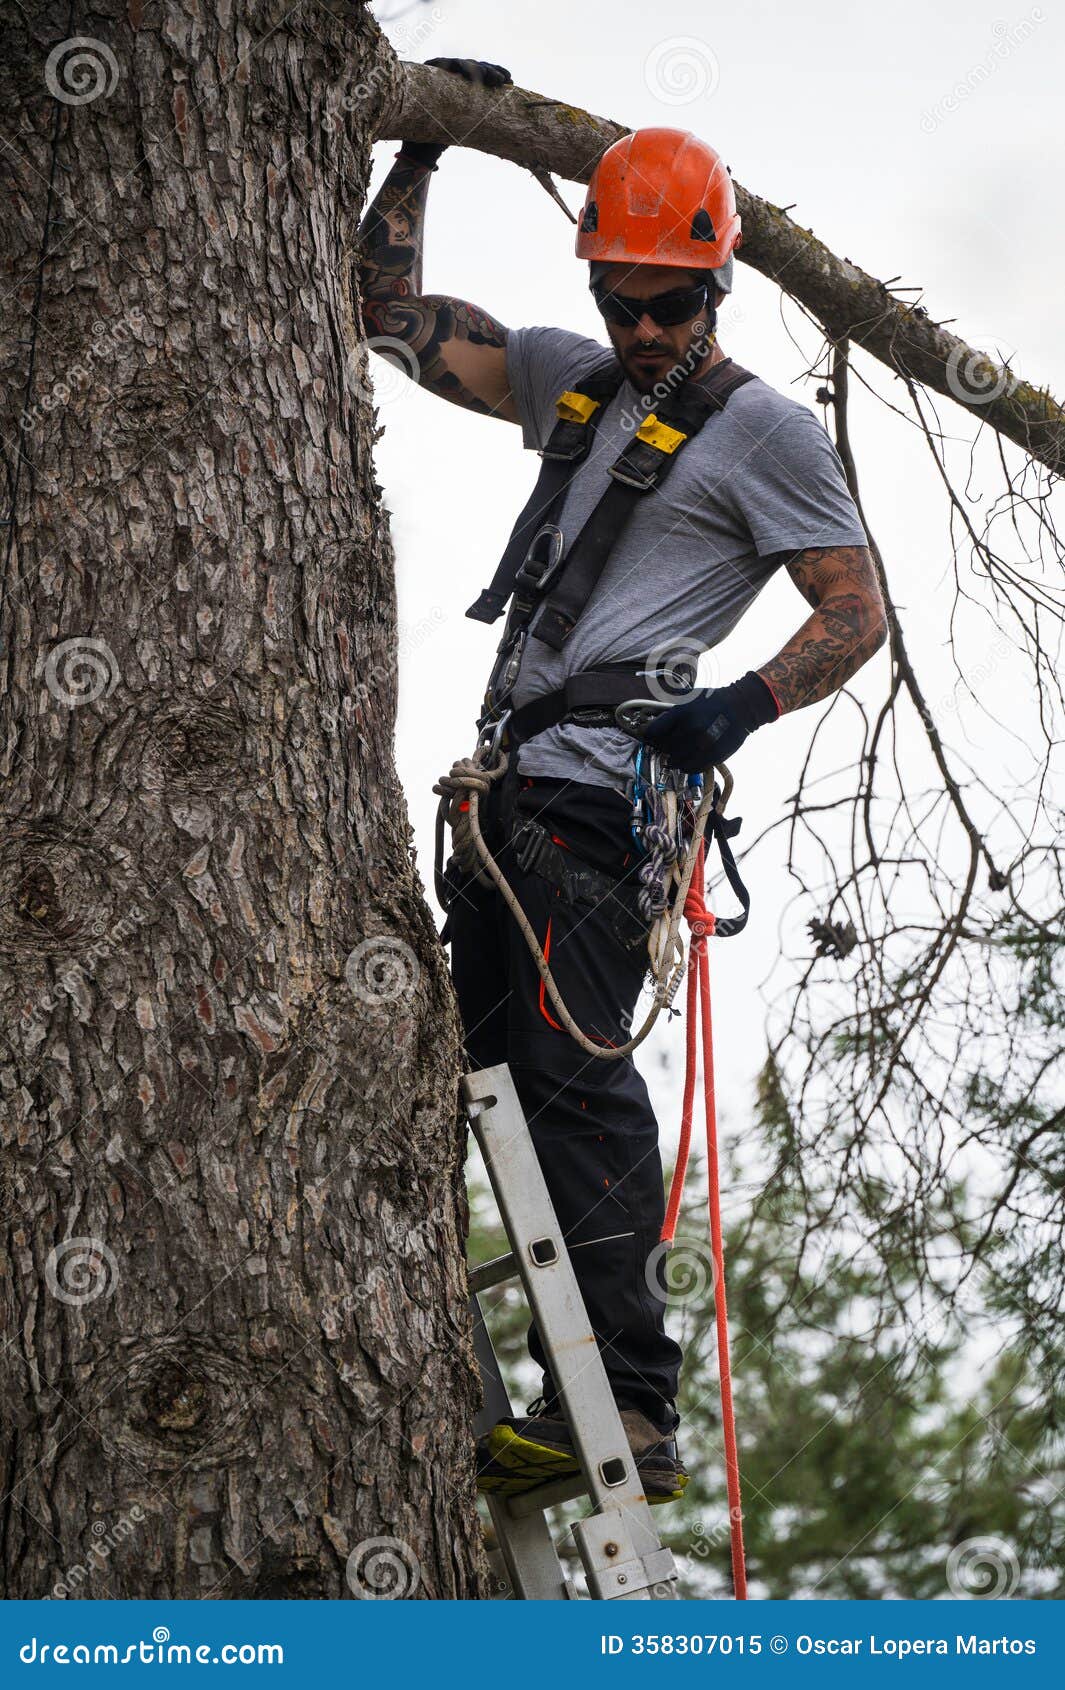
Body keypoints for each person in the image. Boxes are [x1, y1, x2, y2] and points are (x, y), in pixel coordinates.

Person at [356, 60, 886, 1503]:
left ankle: (631, 1412)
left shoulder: (761, 430)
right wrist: (419, 149)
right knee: (445, 1078)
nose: (644, 328)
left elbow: (853, 610)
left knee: (571, 1080)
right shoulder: (574, 386)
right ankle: (477, 1369)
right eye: (621, 300)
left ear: (715, 288)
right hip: (504, 795)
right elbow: (388, 322)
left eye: (670, 303)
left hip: (603, 802)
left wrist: (736, 706)